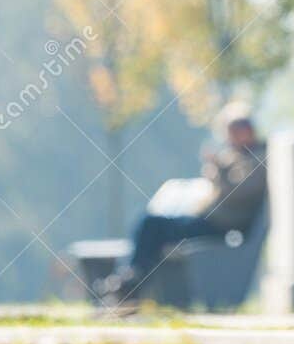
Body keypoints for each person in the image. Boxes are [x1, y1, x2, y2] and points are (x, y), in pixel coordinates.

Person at [109, 102, 268, 302]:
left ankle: (131, 284)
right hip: (209, 220)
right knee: (150, 226)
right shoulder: (237, 156)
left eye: (235, 131)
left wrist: (217, 168)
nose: (231, 138)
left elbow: (236, 192)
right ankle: (131, 281)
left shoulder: (259, 158)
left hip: (220, 226)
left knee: (151, 225)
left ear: (247, 130)